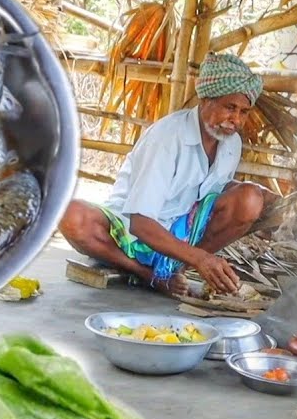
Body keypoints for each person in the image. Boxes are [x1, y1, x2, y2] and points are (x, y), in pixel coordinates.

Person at [58, 52, 274, 296]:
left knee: (251, 198)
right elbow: (140, 223)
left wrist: (262, 196)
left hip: (181, 232)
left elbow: (210, 190)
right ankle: (146, 275)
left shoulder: (231, 143)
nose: (236, 119)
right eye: (230, 107)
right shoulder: (167, 138)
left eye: (244, 112)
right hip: (131, 232)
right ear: (205, 100)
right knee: (71, 216)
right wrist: (201, 258)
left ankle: (175, 271)